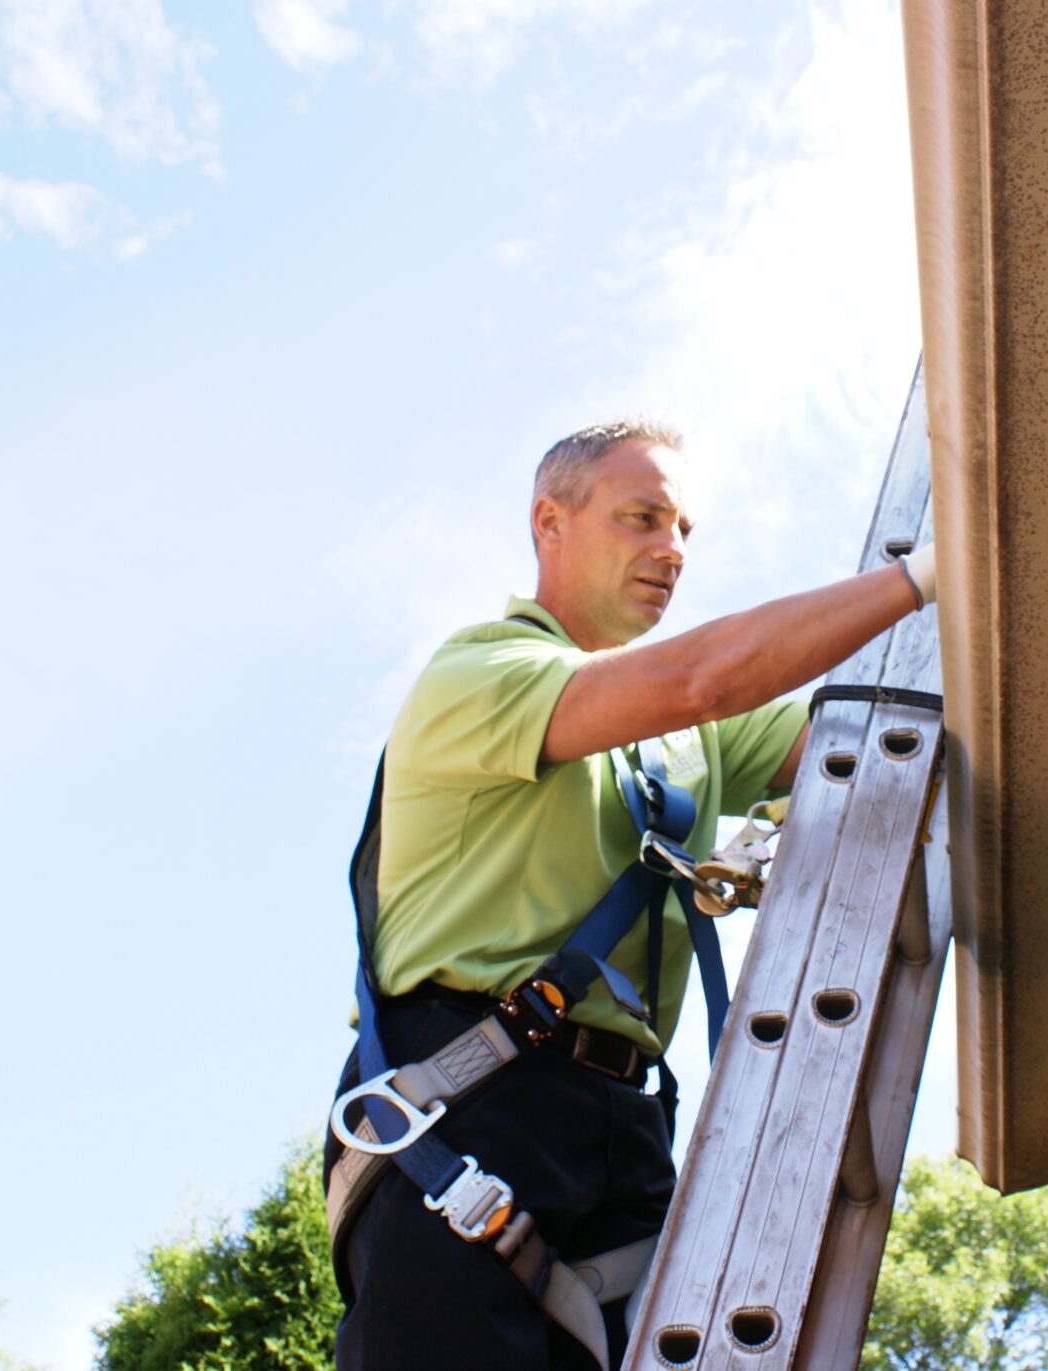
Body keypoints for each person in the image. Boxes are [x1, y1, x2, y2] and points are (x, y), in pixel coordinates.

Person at [324, 419, 937, 1370]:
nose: (672, 550)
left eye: (685, 528)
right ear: (550, 521)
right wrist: (926, 576)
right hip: (470, 1108)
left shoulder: (681, 745)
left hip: (624, 1130)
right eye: (643, 517)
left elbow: (851, 742)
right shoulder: (479, 673)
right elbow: (701, 676)